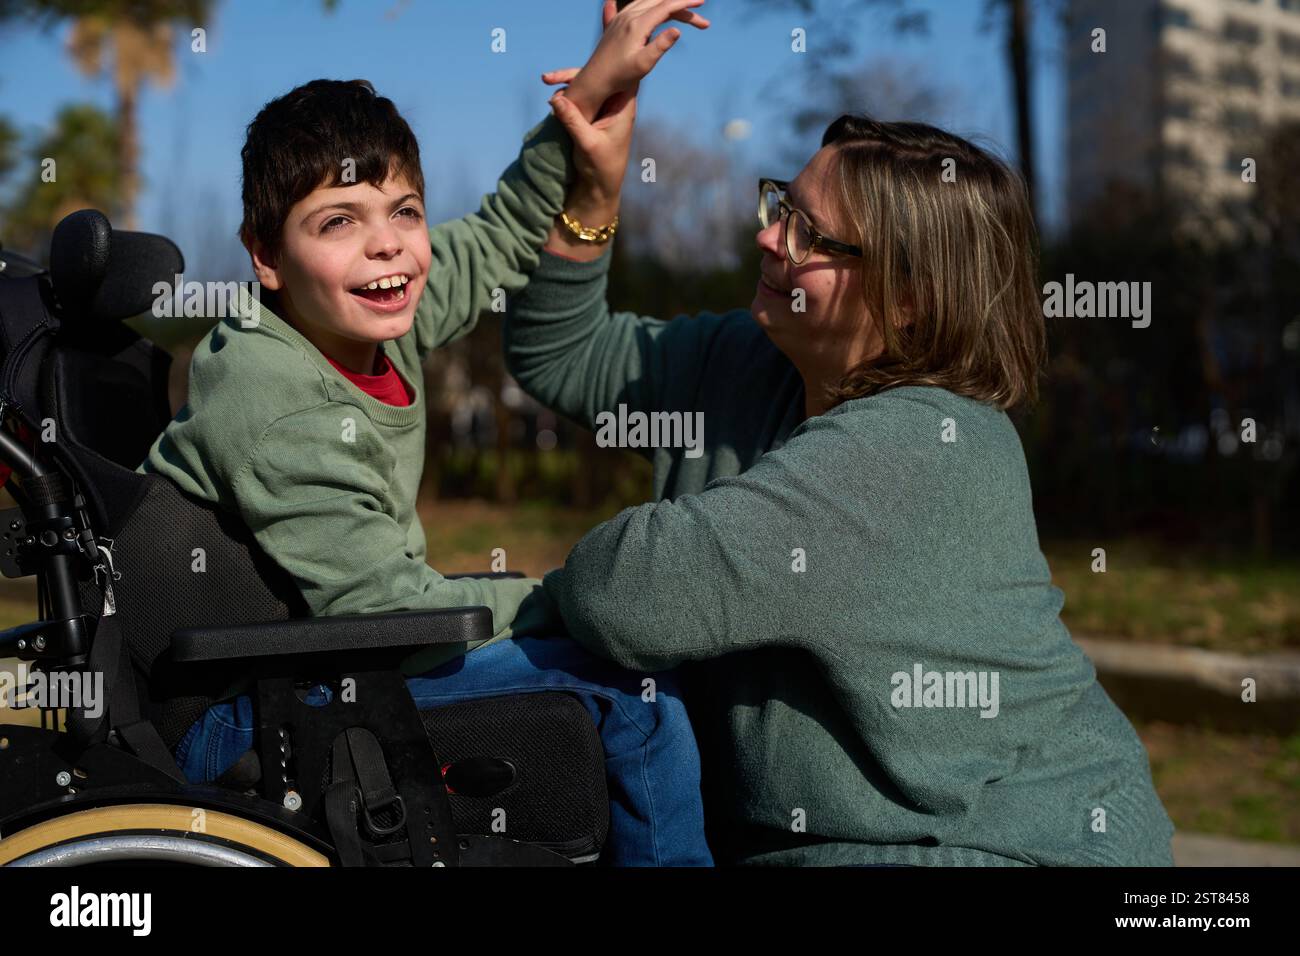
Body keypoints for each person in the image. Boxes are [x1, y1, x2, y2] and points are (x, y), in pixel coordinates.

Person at [506, 98, 1178, 866]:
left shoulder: (926, 445)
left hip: (999, 845)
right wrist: (593, 192)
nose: (766, 235)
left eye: (807, 233)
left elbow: (627, 595)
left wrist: (530, 598)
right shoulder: (753, 364)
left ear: (908, 296)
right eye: (780, 205)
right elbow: (559, 354)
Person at [145, 0, 716, 866]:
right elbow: (383, 612)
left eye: (404, 211)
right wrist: (582, 597)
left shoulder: (365, 315)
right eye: (338, 222)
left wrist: (591, 93)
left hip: (326, 645)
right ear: (264, 255)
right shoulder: (278, 401)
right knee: (639, 695)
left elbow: (496, 237)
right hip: (240, 701)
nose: (391, 248)